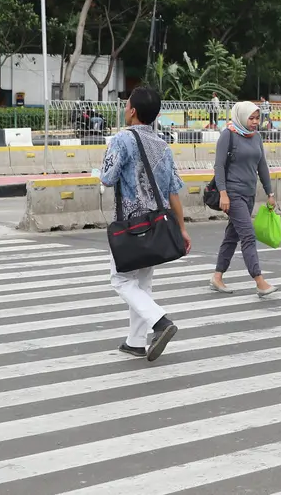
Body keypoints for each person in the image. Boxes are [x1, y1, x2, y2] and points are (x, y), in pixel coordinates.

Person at [100, 86, 191, 362]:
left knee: (120, 280)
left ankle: (160, 322)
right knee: (142, 283)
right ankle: (135, 342)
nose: (126, 108)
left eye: (127, 105)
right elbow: (173, 191)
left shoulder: (122, 140)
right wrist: (182, 228)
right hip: (156, 225)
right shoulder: (163, 146)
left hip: (131, 224)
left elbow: (106, 177)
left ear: (133, 111)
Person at [210, 101, 278, 297]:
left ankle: (217, 276)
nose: (255, 122)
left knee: (232, 236)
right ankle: (259, 281)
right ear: (241, 116)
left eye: (257, 118)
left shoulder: (256, 137)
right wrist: (223, 193)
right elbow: (219, 167)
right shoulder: (228, 135)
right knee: (248, 236)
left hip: (249, 194)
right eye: (251, 118)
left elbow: (262, 166)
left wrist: (270, 193)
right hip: (233, 193)